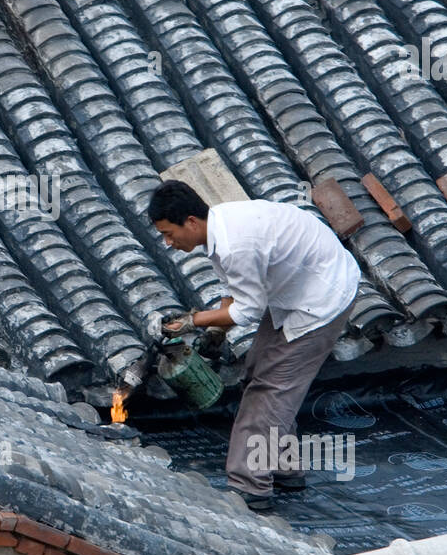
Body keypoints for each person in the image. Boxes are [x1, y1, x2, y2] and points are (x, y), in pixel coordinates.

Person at [147, 180, 360, 510]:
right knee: (259, 372)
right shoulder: (219, 229)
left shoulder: (236, 246)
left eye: (169, 233)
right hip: (292, 293)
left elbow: (247, 310)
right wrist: (215, 334)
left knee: (270, 390)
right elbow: (233, 292)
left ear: (191, 221)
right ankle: (285, 467)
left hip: (322, 298)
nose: (168, 242)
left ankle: (250, 486)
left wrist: (191, 322)